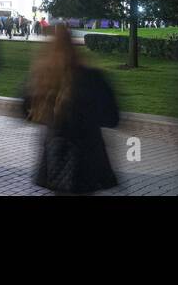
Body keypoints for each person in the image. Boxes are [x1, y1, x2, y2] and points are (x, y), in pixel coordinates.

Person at [23, 24, 120, 194]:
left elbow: (26, 109)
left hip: (56, 156)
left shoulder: (42, 78)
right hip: (87, 156)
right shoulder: (92, 77)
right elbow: (112, 117)